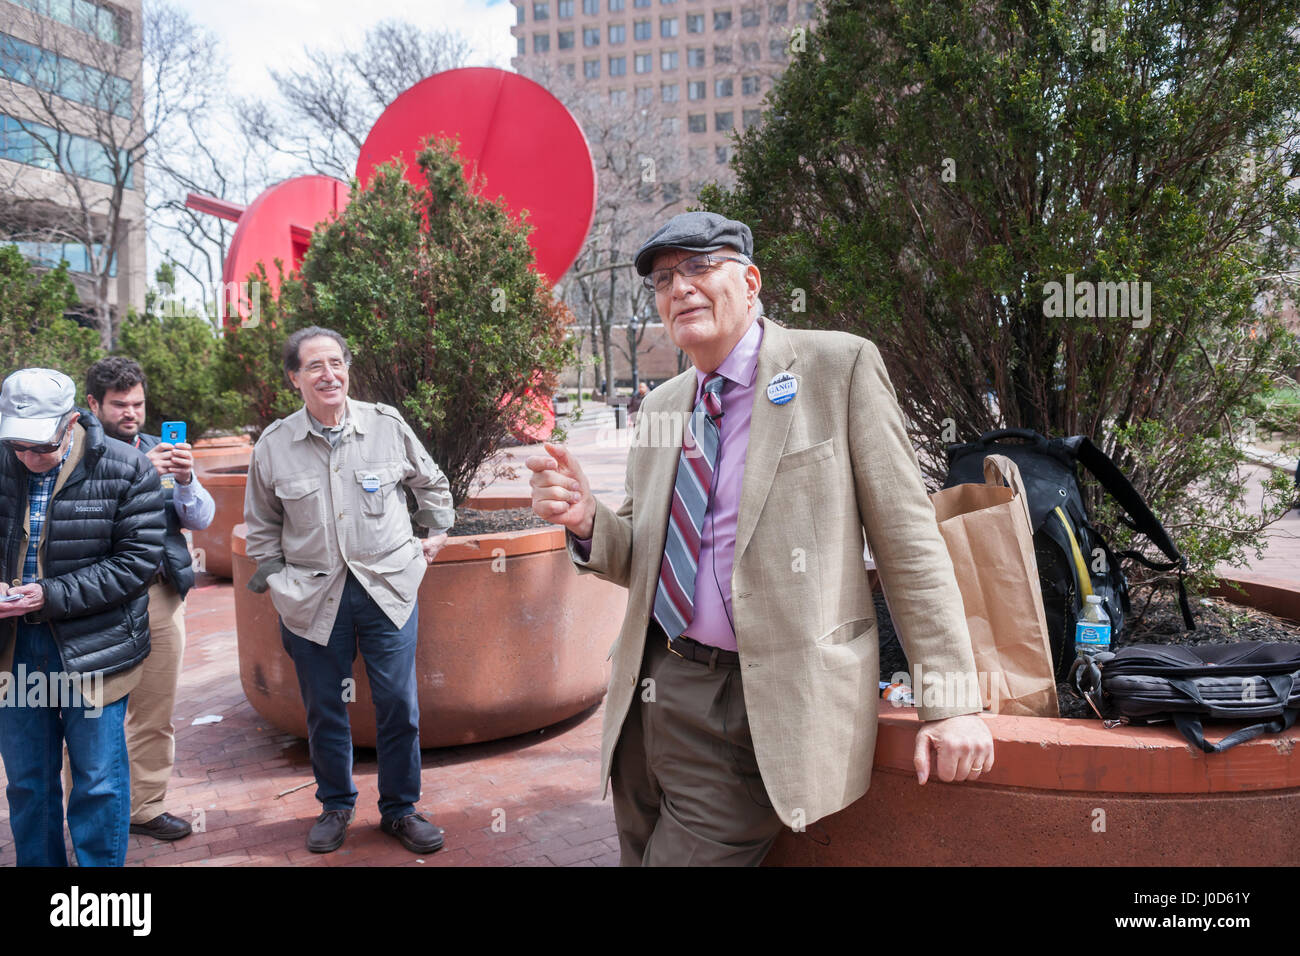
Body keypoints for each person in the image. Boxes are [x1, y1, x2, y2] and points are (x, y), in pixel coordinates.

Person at [528, 212, 995, 866]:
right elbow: (642, 554)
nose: (679, 287)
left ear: (750, 282)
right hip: (649, 693)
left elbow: (909, 543)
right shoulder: (663, 407)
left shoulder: (839, 367)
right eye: (664, 278)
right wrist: (585, 520)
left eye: (698, 266)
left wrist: (949, 702)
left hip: (755, 706)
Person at [243, 326, 455, 855]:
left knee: (399, 705)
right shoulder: (274, 445)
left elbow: (430, 483)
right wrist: (277, 581)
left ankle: (401, 810)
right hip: (313, 600)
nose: (328, 374)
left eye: (335, 362)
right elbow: (262, 527)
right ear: (294, 378)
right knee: (324, 709)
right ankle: (335, 806)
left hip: (387, 591)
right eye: (313, 366)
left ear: (347, 368)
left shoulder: (385, 426)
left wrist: (434, 537)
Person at [0, 368, 164, 866]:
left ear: (73, 421)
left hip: (95, 646)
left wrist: (47, 595)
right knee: (28, 781)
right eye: (18, 447)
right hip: (14, 650)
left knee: (98, 780)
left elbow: (136, 564)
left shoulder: (128, 467)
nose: (29, 457)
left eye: (41, 447)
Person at [84, 356, 215, 842]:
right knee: (92, 714)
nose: (131, 413)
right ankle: (93, 814)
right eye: (120, 405)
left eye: (138, 403)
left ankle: (145, 806)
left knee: (155, 711)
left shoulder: (155, 447)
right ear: (94, 403)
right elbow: (84, 517)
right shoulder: (78, 451)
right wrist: (140, 470)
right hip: (99, 601)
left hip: (159, 593)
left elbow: (199, 518)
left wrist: (185, 481)